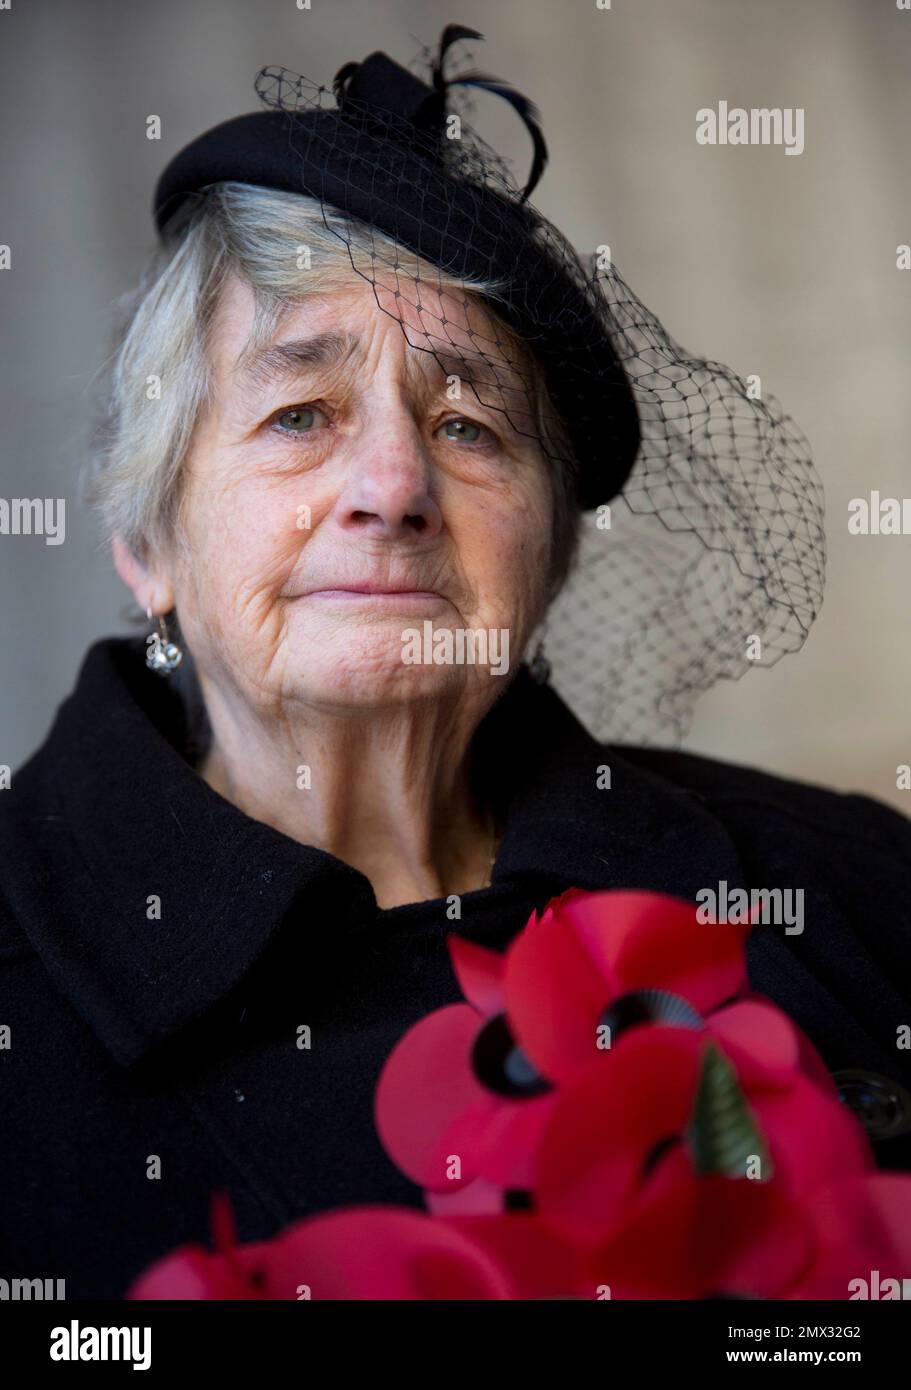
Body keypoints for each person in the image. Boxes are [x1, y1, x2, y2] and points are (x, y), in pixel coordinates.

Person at [1, 24, 909, 1300]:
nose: (390, 488)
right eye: (299, 414)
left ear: (547, 563)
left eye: (468, 423)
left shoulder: (852, 890)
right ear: (146, 541)